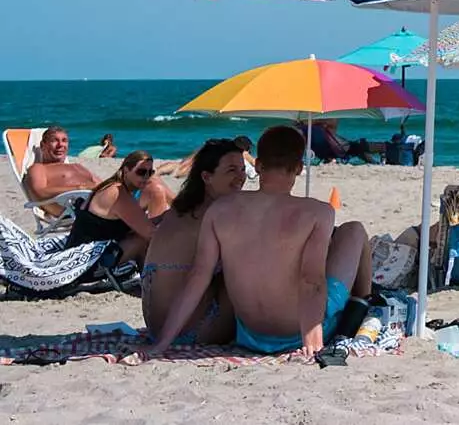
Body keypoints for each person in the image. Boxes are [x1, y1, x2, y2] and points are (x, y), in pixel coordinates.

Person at [146, 126, 375, 359]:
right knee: (353, 231)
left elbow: (198, 277)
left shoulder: (219, 210)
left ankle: (361, 305)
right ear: (298, 168)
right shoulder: (319, 212)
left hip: (250, 335)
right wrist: (312, 340)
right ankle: (363, 305)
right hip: (298, 331)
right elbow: (311, 280)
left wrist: (163, 342)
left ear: (257, 165)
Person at [143, 139, 248, 346]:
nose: (241, 177)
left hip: (155, 326)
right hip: (192, 332)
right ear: (207, 176)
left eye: (243, 169)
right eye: (232, 170)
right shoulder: (217, 215)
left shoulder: (181, 208)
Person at [66, 151, 172, 264]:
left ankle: (150, 277)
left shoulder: (113, 185)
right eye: (141, 172)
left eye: (150, 173)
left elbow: (135, 226)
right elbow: (150, 234)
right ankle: (153, 279)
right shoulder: (117, 193)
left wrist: (164, 217)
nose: (146, 177)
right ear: (126, 170)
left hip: (81, 252)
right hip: (84, 262)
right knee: (142, 241)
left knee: (144, 237)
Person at [22, 125, 99, 210]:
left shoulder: (78, 166)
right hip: (79, 209)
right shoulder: (39, 168)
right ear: (42, 145)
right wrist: (79, 188)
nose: (60, 145)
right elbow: (40, 192)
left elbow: (104, 185)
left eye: (64, 141)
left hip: (99, 203)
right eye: (54, 140)